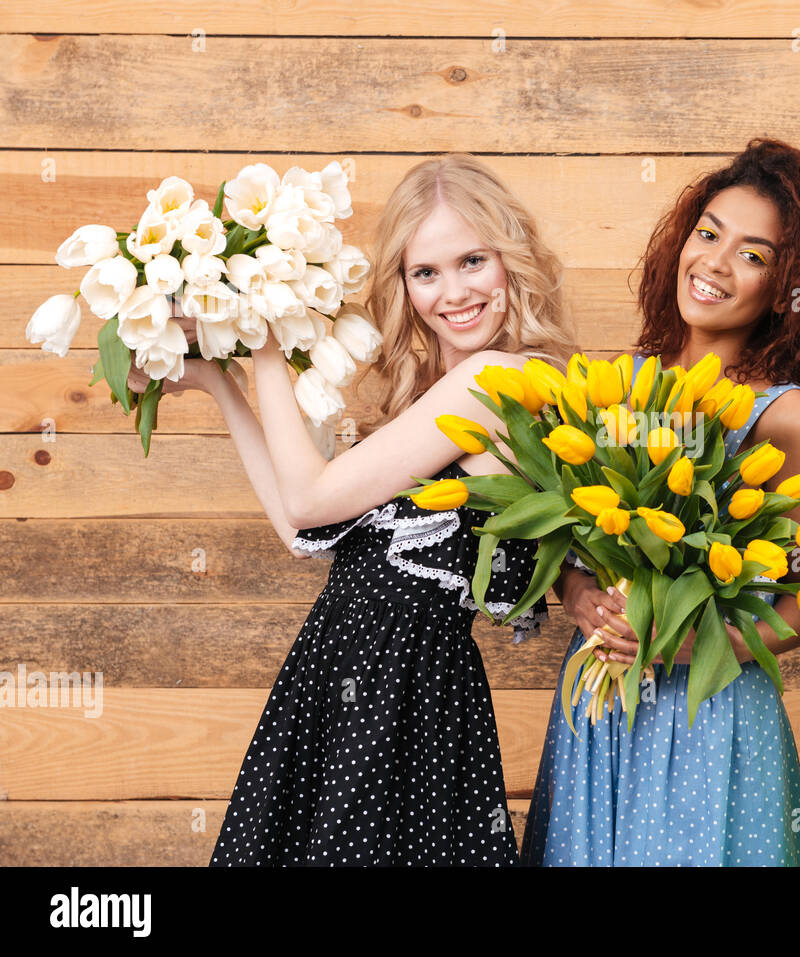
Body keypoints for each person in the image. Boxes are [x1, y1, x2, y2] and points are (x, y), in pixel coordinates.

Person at [130, 154, 578, 865]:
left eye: (472, 261)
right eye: (424, 272)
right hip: (351, 687)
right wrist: (221, 380)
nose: (453, 291)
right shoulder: (446, 391)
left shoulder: (499, 378)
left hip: (402, 701)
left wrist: (264, 330)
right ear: (402, 283)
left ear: (511, 260)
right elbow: (300, 525)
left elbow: (310, 499)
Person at [522, 138, 800, 865]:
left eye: (753, 254)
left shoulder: (784, 417)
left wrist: (692, 648)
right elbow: (563, 530)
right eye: (708, 233)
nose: (712, 262)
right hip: (598, 705)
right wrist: (581, 595)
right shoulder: (617, 382)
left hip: (710, 709)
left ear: (789, 286)